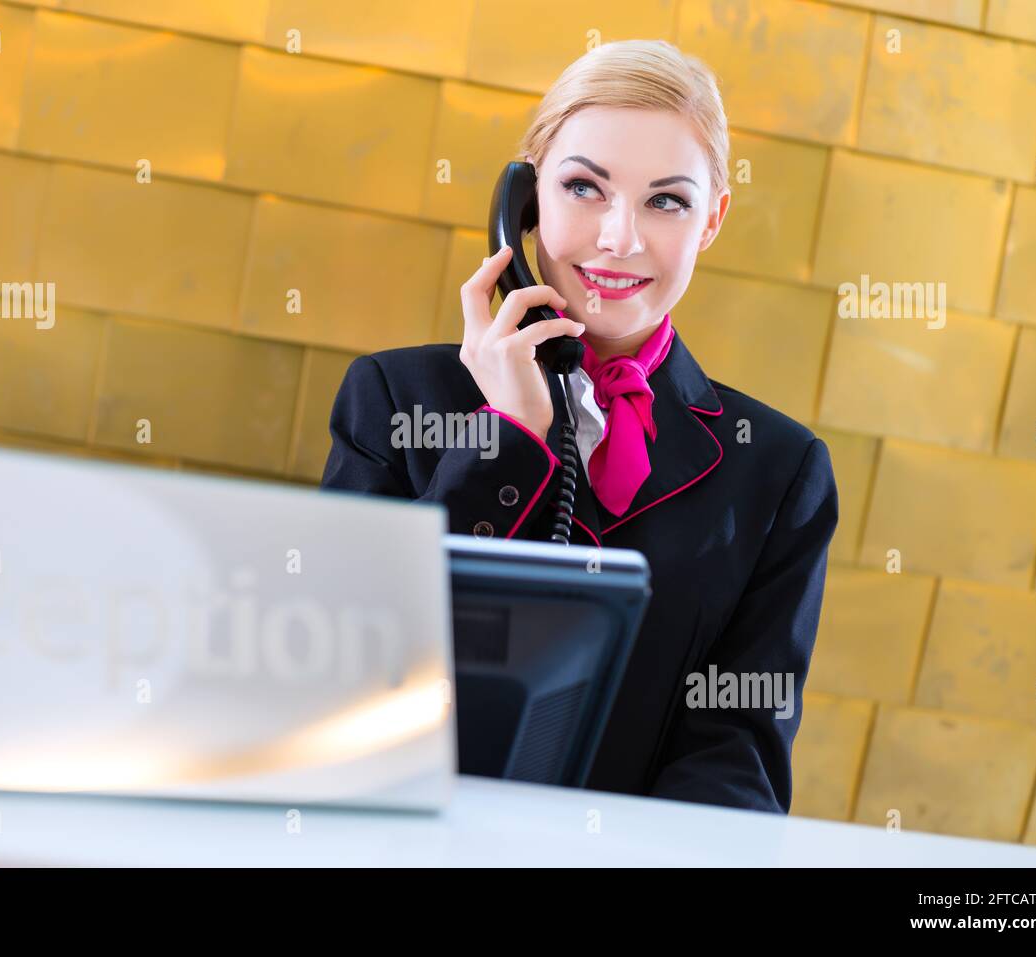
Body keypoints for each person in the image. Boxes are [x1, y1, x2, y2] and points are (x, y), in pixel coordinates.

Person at [321, 39, 838, 814]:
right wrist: (505, 442)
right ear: (524, 201)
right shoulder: (394, 400)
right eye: (584, 188)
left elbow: (738, 760)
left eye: (667, 201)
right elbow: (345, 678)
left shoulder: (780, 470)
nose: (618, 238)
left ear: (711, 221)